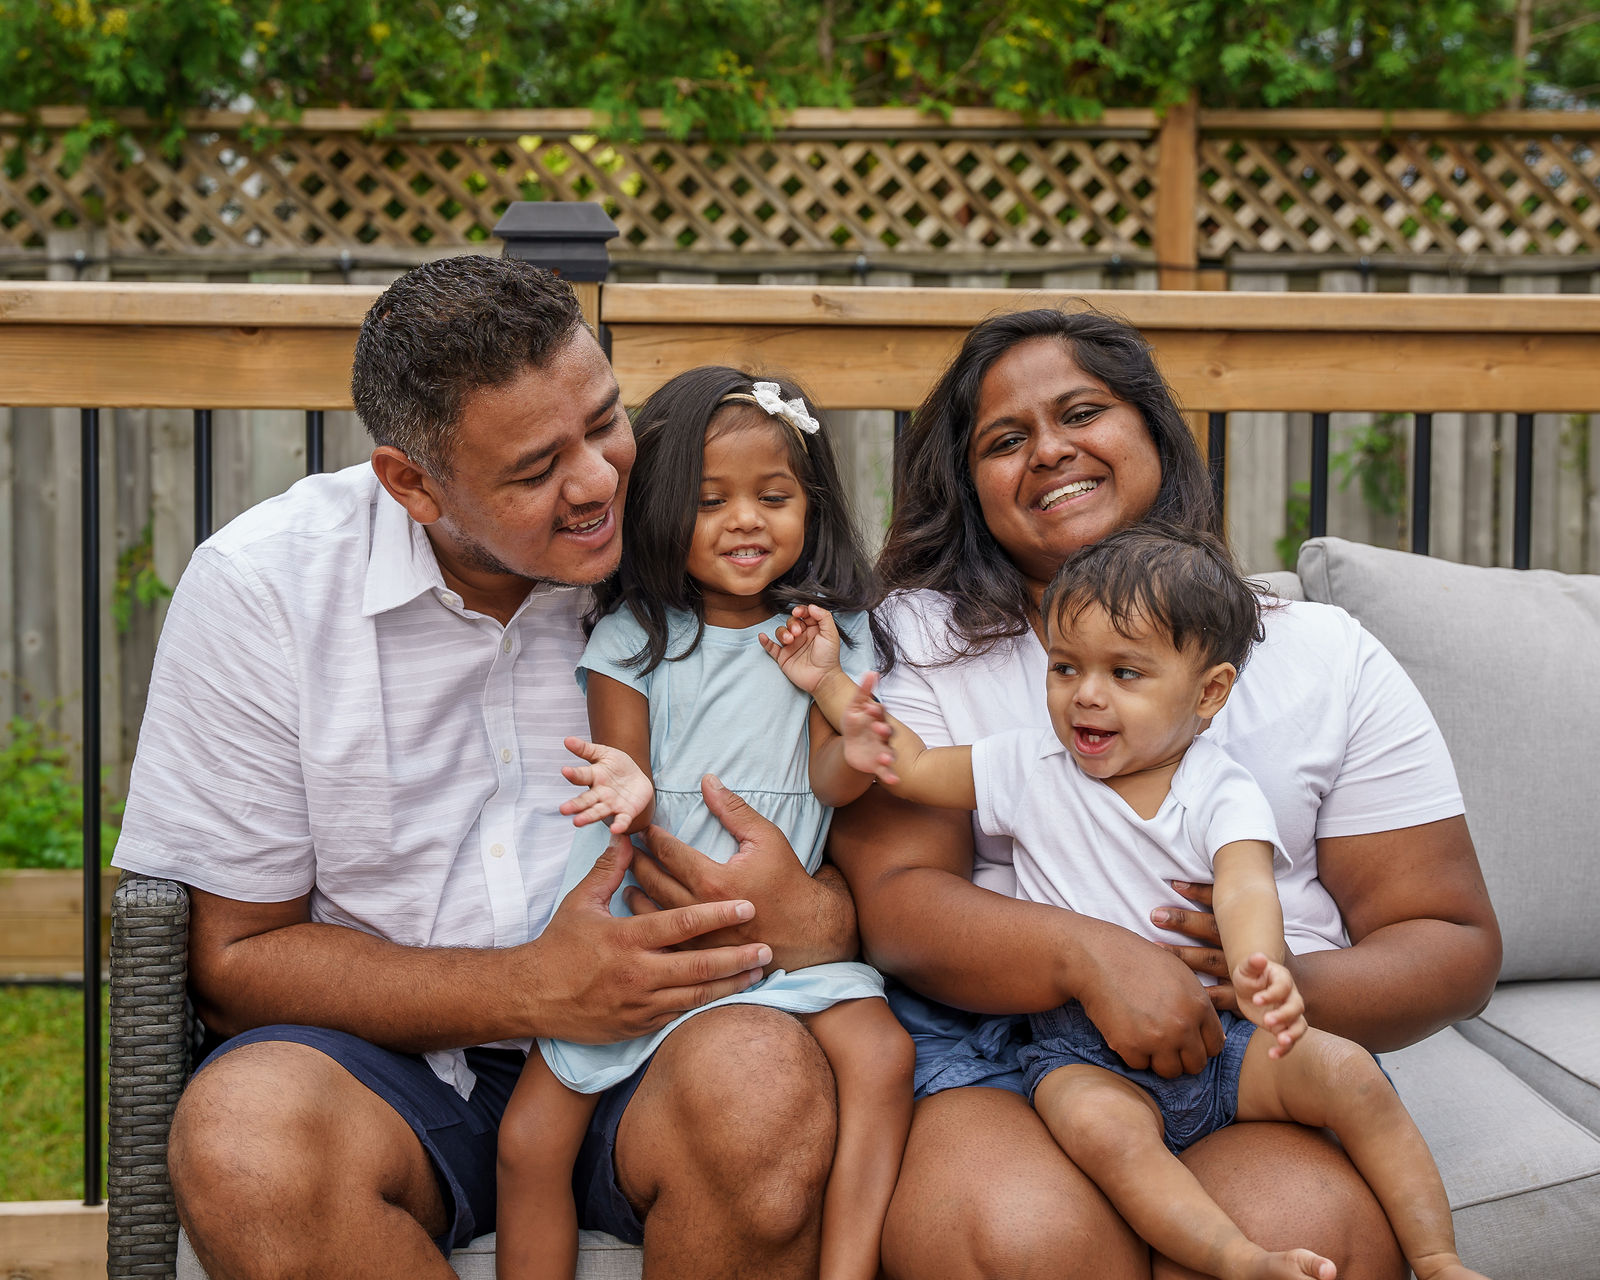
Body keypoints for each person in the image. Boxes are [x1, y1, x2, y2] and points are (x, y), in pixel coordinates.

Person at [111, 256, 862, 1280]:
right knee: (248, 1146)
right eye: (535, 468)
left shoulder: (706, 546)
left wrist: (815, 916)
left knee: (761, 1087)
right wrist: (532, 988)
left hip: (674, 1031)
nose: (599, 479)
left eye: (603, 421)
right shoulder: (266, 589)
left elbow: (877, 823)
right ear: (411, 482)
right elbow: (237, 960)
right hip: (390, 1062)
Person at [825, 307, 1503, 1280]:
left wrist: (1260, 987)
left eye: (1081, 412)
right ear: (969, 489)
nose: (1050, 449)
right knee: (1021, 1237)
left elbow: (1447, 937)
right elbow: (894, 904)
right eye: (1005, 440)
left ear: (1151, 430)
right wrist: (1091, 957)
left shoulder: (1320, 651)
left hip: (1255, 1044)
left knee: (1301, 1230)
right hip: (1004, 1043)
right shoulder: (918, 641)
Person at [493, 368, 913, 1280]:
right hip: (637, 925)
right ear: (661, 514)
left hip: (777, 943)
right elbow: (624, 767)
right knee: (530, 1142)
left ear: (813, 504)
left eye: (775, 496)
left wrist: (855, 728)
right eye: (710, 500)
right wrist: (625, 793)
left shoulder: (827, 630)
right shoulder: (637, 639)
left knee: (882, 1054)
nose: (747, 521)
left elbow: (828, 783)